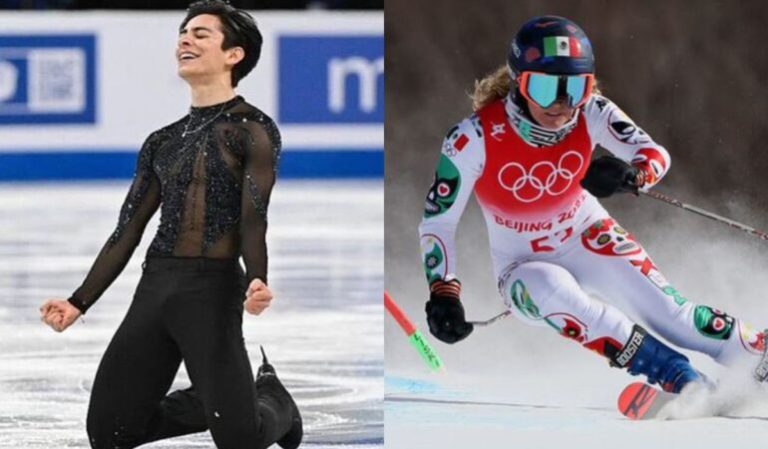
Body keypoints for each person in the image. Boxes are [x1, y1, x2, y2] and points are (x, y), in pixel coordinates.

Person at [418, 15, 768, 394]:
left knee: (673, 317)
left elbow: (654, 153)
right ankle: (678, 376)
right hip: (521, 266)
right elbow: (438, 222)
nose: (561, 105)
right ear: (519, 84)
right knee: (550, 288)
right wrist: (444, 292)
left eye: (575, 88)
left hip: (588, 235)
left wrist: (632, 175)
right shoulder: (473, 137)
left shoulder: (593, 112)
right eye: (545, 87)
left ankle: (755, 354)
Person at [38, 1, 302, 448]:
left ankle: (272, 400)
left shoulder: (253, 129)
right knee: (110, 432)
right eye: (183, 32)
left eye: (201, 34)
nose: (185, 39)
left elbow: (253, 218)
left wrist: (257, 278)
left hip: (213, 290)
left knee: (240, 441)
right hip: (156, 286)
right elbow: (127, 230)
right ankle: (224, 400)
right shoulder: (161, 141)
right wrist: (79, 301)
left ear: (234, 55)